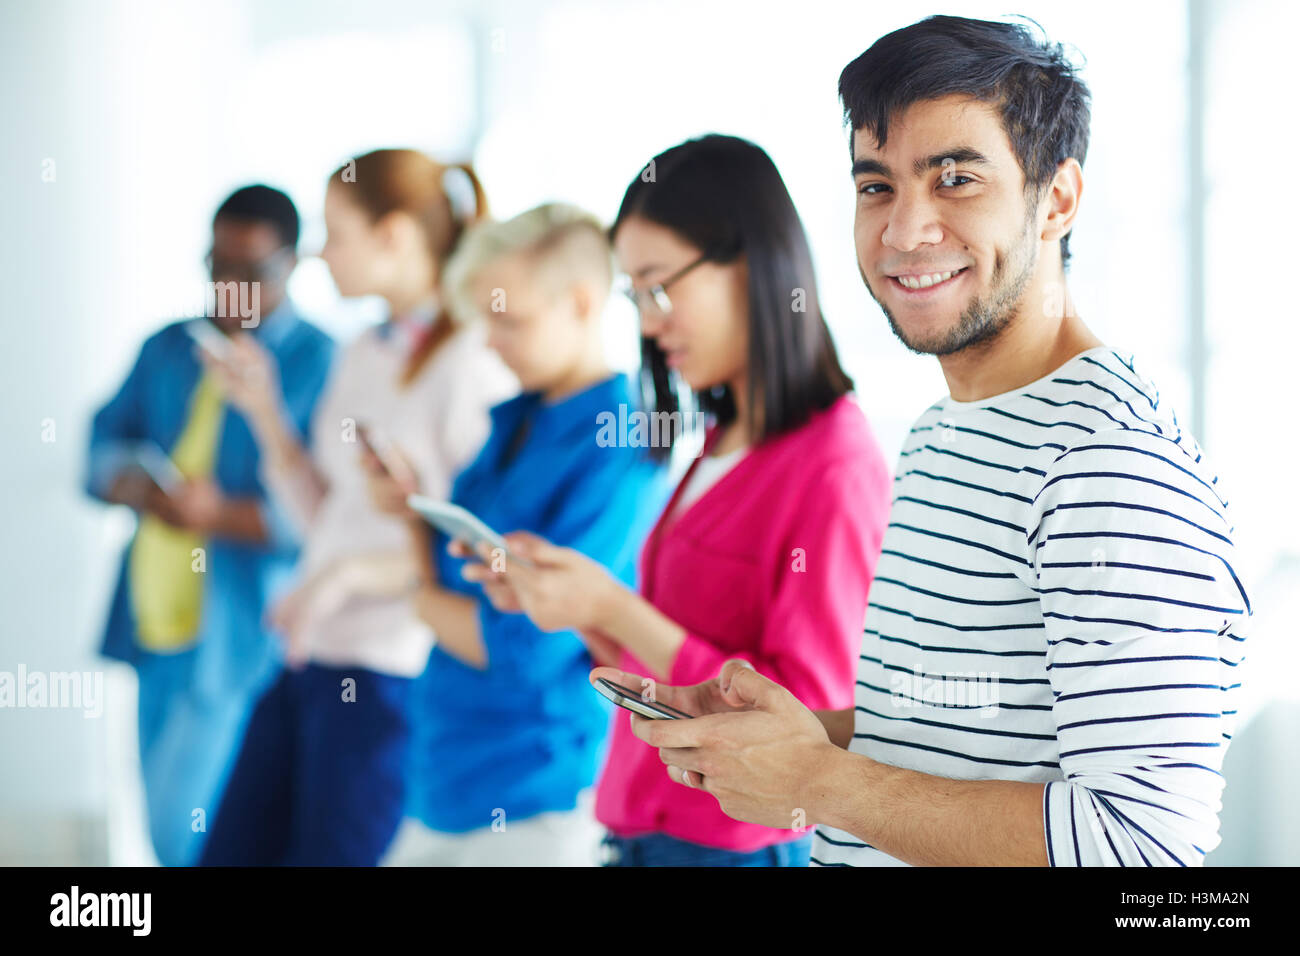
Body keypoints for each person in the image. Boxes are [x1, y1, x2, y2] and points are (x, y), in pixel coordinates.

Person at [605, 15, 1252, 867]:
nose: (905, 231)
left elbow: (1142, 849)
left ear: (1056, 199)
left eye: (955, 180)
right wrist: (803, 741)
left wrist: (823, 783)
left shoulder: (1108, 465)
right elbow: (945, 742)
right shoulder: (937, 436)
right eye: (877, 186)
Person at [468, 136, 894, 866]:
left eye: (660, 287)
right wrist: (578, 606)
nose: (647, 322)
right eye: (634, 296)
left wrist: (612, 608)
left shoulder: (834, 467)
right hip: (646, 828)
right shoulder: (720, 442)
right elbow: (676, 651)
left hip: (730, 845)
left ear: (750, 265)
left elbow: (805, 717)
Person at [197, 150, 515, 866]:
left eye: (335, 233)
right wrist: (266, 414)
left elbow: (471, 554)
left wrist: (341, 579)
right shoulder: (361, 354)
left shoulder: (473, 365)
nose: (318, 254)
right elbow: (327, 521)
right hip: (310, 657)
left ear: (395, 237)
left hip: (387, 676)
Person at [369, 203, 668, 867]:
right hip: (442, 769)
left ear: (583, 304)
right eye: (487, 321)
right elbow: (450, 580)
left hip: (534, 788)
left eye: (511, 321)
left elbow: (526, 645)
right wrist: (410, 509)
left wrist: (423, 604)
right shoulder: (513, 421)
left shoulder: (619, 445)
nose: (490, 342)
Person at [84, 185, 335, 866]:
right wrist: (132, 482)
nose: (230, 288)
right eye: (217, 267)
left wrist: (216, 513)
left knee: (192, 834)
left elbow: (321, 516)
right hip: (156, 621)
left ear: (291, 265)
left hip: (243, 634)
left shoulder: (320, 361)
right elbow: (99, 447)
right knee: (163, 830)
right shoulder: (169, 346)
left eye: (249, 272)